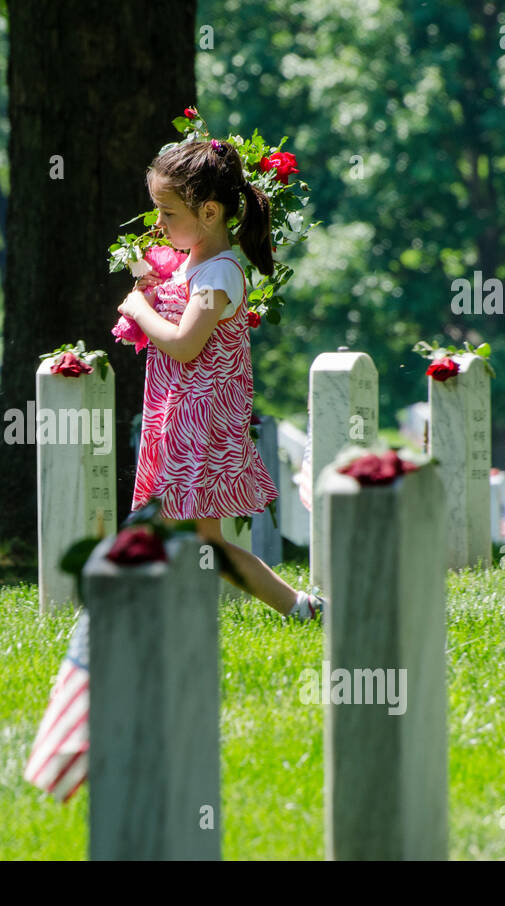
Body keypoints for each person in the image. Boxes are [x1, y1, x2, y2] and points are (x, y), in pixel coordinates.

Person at [116, 137, 322, 620]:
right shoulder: (197, 264)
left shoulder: (221, 274)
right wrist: (151, 284)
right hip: (178, 416)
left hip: (198, 423)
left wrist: (139, 308)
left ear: (209, 213)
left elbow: (186, 344)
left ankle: (132, 619)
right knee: (206, 545)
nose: (159, 224)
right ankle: (302, 608)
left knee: (163, 531)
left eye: (167, 213)